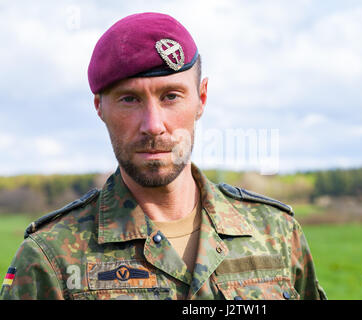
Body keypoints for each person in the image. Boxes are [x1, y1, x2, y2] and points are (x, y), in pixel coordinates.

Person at [0, 12, 326, 300]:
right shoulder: (50, 258)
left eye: (171, 96)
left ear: (201, 98)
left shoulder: (276, 234)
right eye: (129, 99)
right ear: (100, 107)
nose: (153, 126)